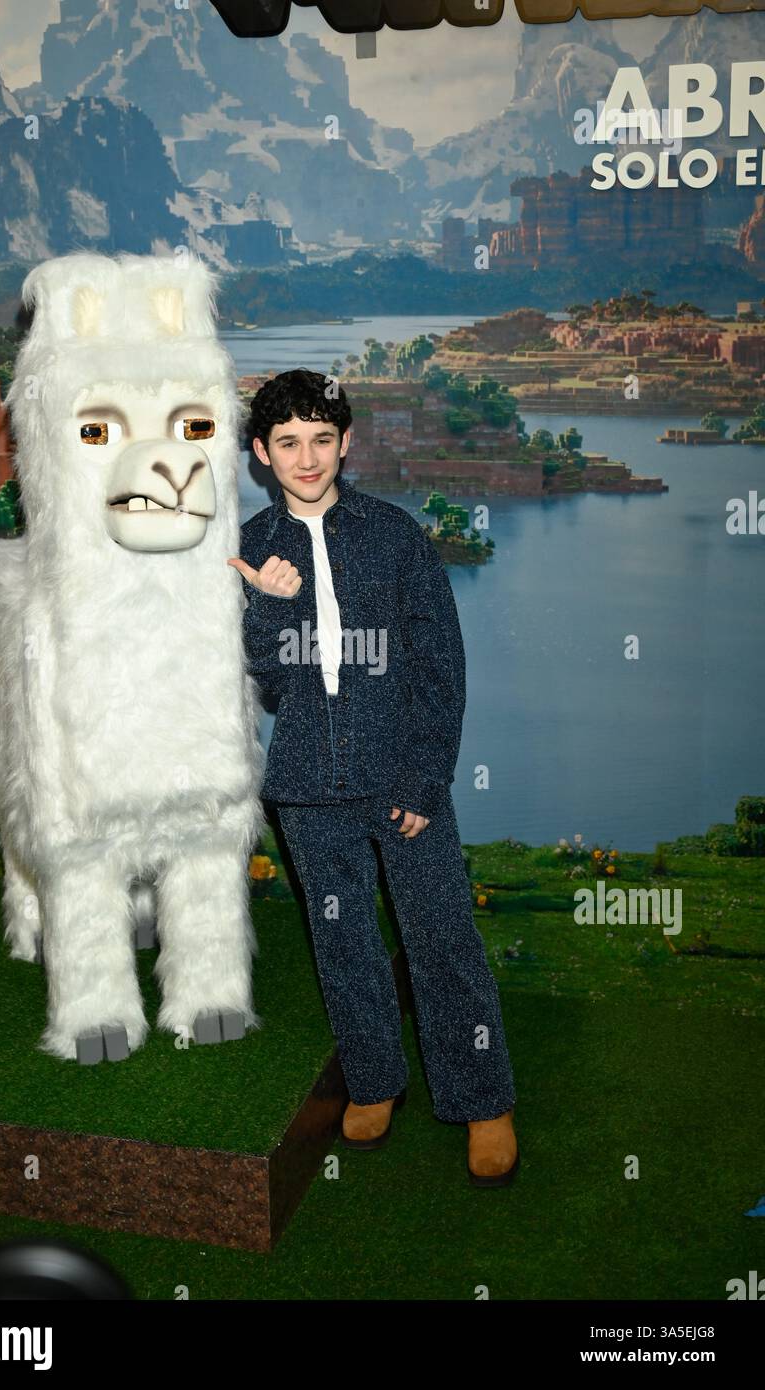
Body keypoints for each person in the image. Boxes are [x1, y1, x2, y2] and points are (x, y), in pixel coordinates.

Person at [227, 368, 519, 1186]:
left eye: (322, 439)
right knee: (343, 942)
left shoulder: (396, 536)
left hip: (401, 778)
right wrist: (271, 608)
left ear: (346, 442)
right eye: (288, 442)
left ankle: (482, 1100)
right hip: (307, 786)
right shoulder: (250, 549)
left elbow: (440, 665)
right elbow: (264, 683)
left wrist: (426, 781)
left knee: (443, 938)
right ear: (261, 452)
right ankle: (374, 1083)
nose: (307, 457)